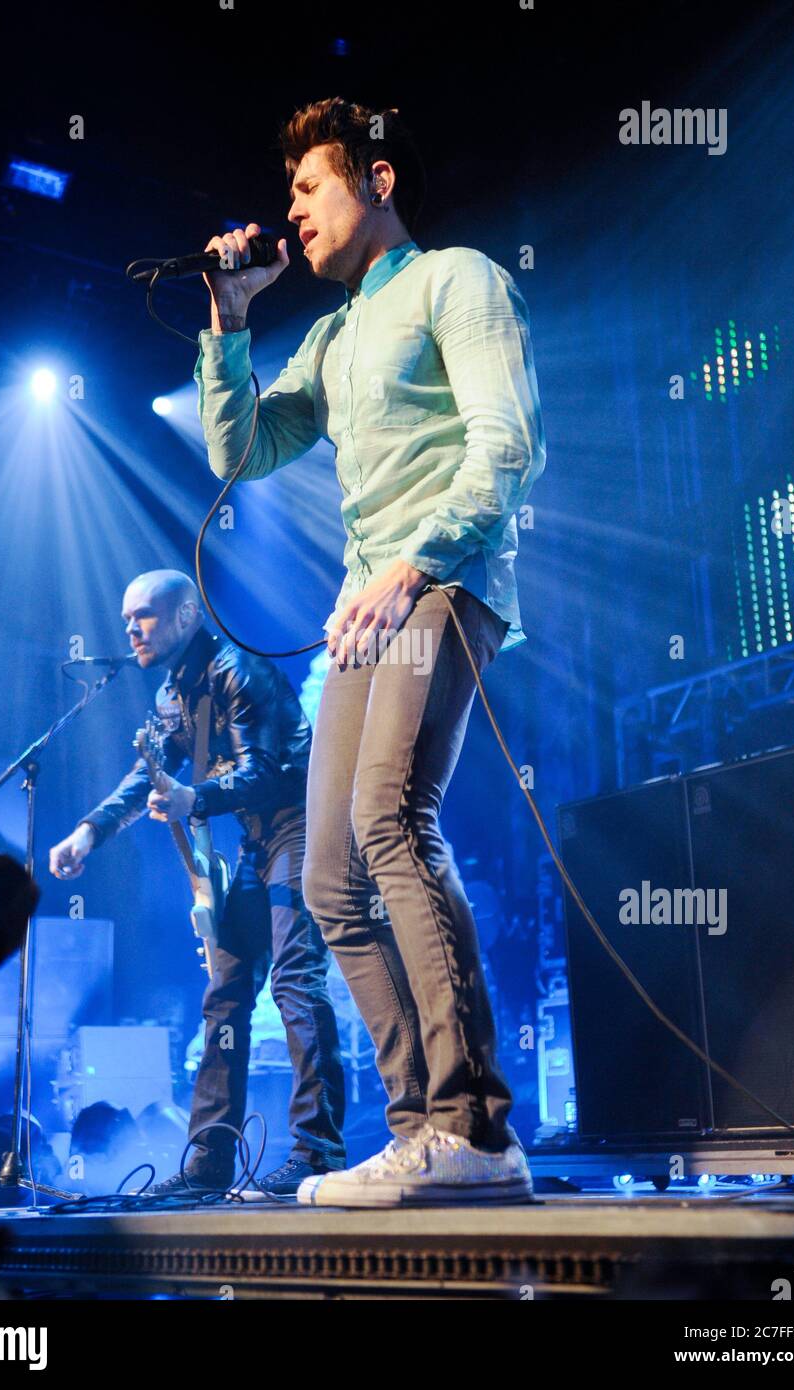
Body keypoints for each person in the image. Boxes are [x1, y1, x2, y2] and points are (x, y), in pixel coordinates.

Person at [195, 98, 545, 1206]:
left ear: (378, 181)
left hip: (441, 580)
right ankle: (417, 1130)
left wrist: (418, 561)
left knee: (392, 821)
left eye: (311, 186)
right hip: (363, 610)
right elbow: (243, 451)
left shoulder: (460, 280)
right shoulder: (331, 337)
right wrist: (227, 324)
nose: (291, 211)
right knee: (331, 879)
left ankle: (476, 1122)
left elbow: (507, 441)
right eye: (288, 192)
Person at [48, 569, 346, 1196]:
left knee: (295, 981)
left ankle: (318, 1153)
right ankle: (209, 1164)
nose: (131, 627)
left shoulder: (241, 671)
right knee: (225, 993)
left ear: (186, 616)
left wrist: (196, 797)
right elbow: (143, 781)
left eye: (146, 615)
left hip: (307, 826)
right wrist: (88, 832)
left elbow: (272, 769)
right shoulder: (169, 697)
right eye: (127, 617)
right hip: (257, 844)